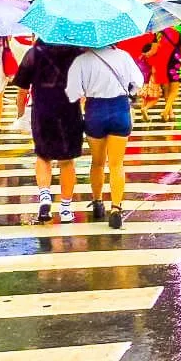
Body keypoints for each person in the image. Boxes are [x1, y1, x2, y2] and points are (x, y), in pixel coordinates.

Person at [65, 42, 144, 228]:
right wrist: (128, 92)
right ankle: (116, 208)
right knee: (117, 164)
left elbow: (73, 92)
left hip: (95, 111)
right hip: (120, 109)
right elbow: (138, 82)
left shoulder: (82, 60)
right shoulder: (124, 56)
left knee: (98, 162)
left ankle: (98, 202)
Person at [12, 40, 84, 224]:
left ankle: (45, 197)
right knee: (67, 161)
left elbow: (22, 89)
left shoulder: (33, 53)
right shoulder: (77, 53)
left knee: (43, 156)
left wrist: (20, 113)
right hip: (70, 111)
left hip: (42, 111)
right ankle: (66, 209)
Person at [143, 25, 181, 123]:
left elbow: (153, 51)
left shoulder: (157, 34)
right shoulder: (178, 34)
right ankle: (166, 111)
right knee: (174, 91)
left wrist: (145, 55)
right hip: (175, 65)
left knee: (166, 91)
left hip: (162, 66)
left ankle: (170, 113)